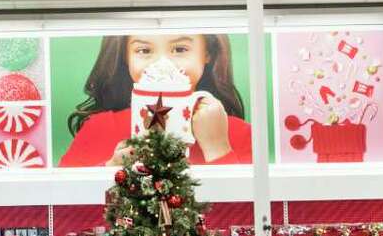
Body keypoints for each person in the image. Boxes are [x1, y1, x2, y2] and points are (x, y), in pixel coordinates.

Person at [59, 31, 252, 166]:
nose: (162, 63)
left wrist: (218, 149)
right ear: (126, 57)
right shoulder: (98, 129)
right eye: (144, 50)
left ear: (208, 53)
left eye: (180, 49)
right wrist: (109, 171)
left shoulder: (239, 133)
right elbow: (63, 209)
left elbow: (249, 216)